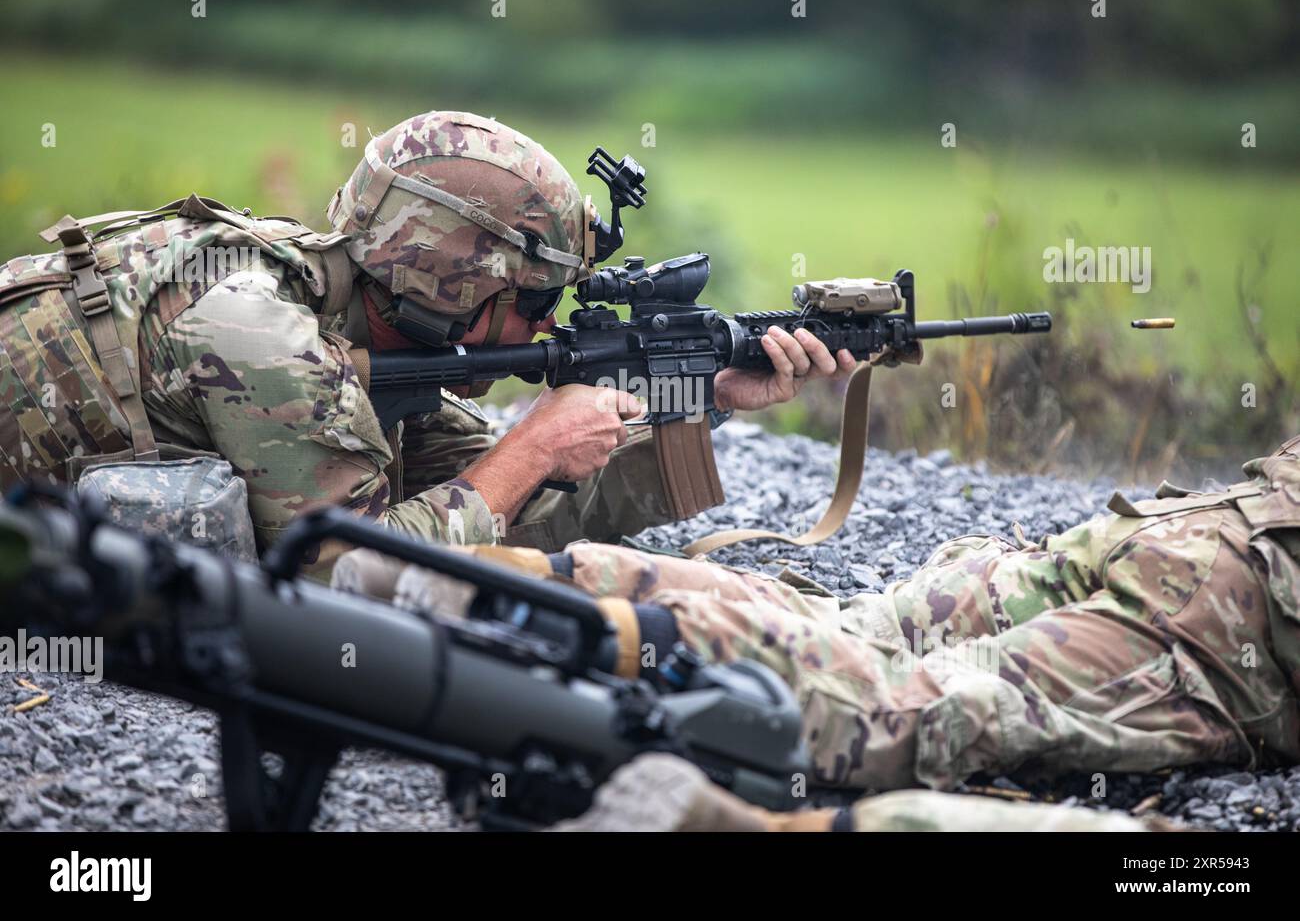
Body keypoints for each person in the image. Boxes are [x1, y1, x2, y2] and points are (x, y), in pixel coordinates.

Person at [0, 110, 853, 573]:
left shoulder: (365, 333)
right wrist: (527, 449)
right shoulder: (261, 335)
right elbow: (337, 573)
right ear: (450, 280)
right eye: (534, 299)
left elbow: (519, 516)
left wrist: (700, 400)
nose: (547, 326)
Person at [365, 433, 1297, 825]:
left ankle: (517, 583)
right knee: (934, 702)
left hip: (1193, 522)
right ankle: (565, 627)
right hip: (1245, 598)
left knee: (853, 625)